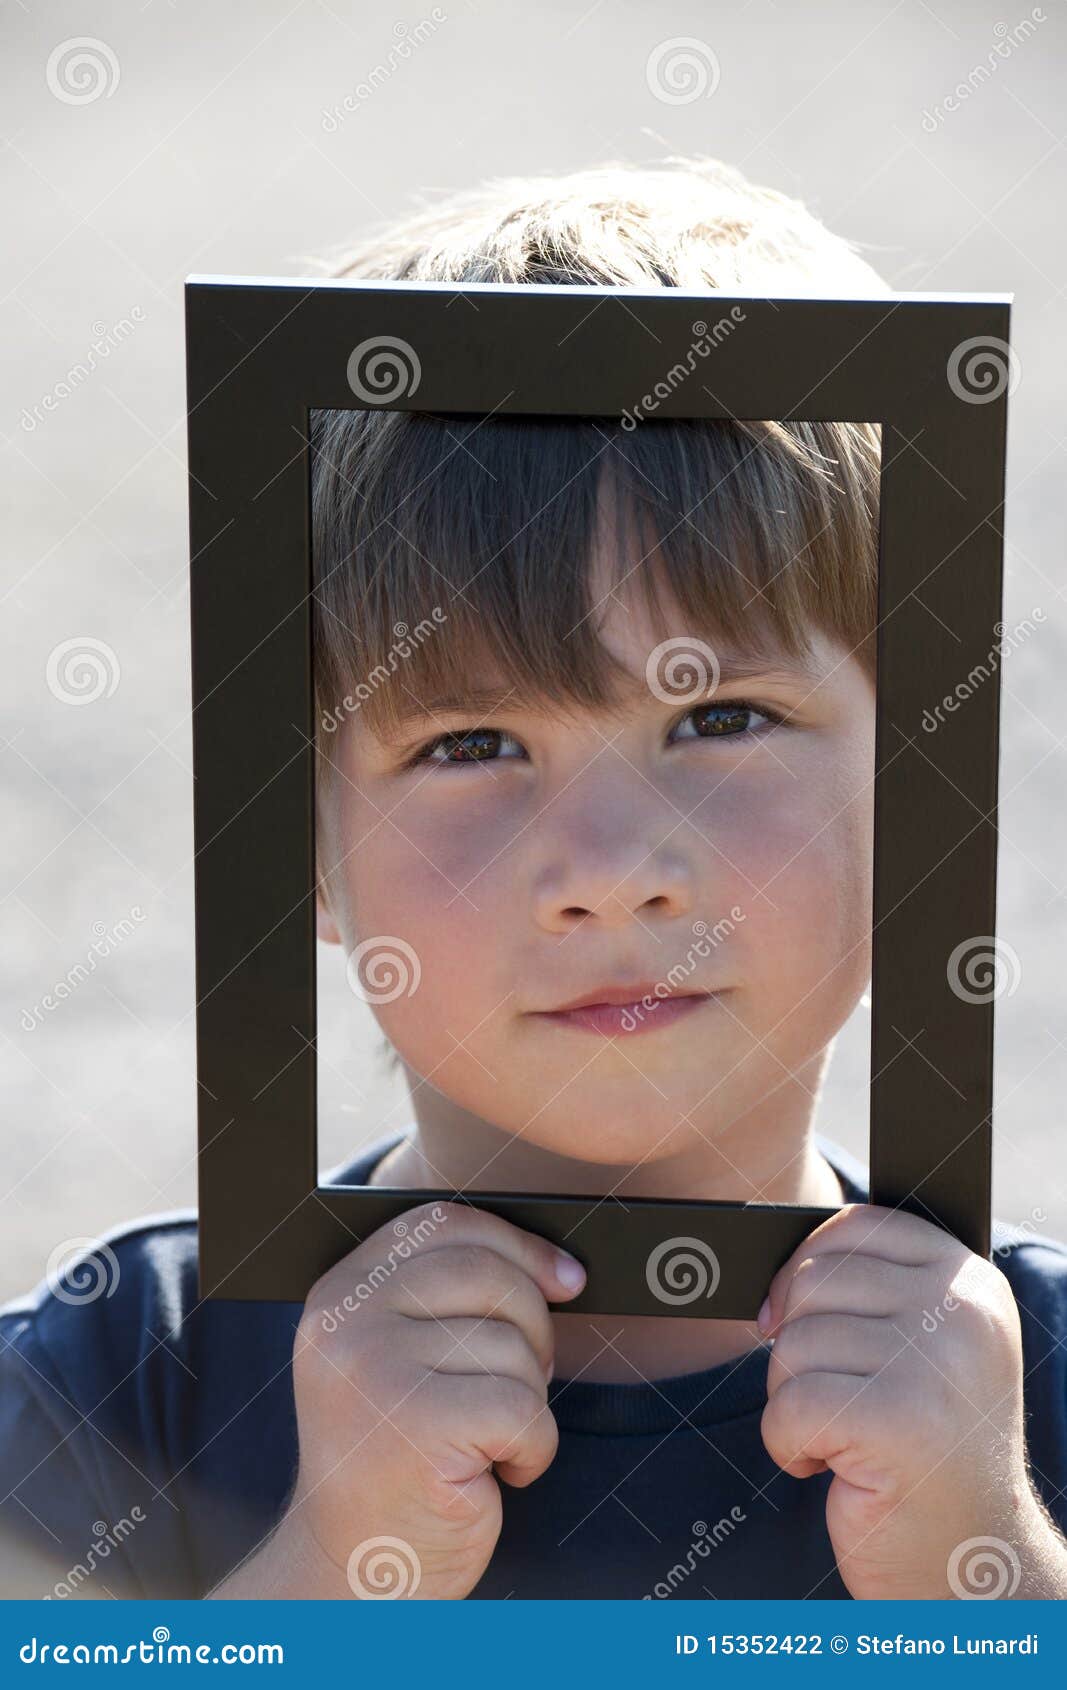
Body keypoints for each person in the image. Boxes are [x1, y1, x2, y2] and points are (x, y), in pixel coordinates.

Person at [2, 156, 1066, 1602]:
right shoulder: (113, 1385)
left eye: (720, 717)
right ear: (296, 848)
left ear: (923, 791)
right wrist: (326, 1576)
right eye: (473, 740)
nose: (610, 874)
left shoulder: (1031, 1394)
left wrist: (984, 1571)